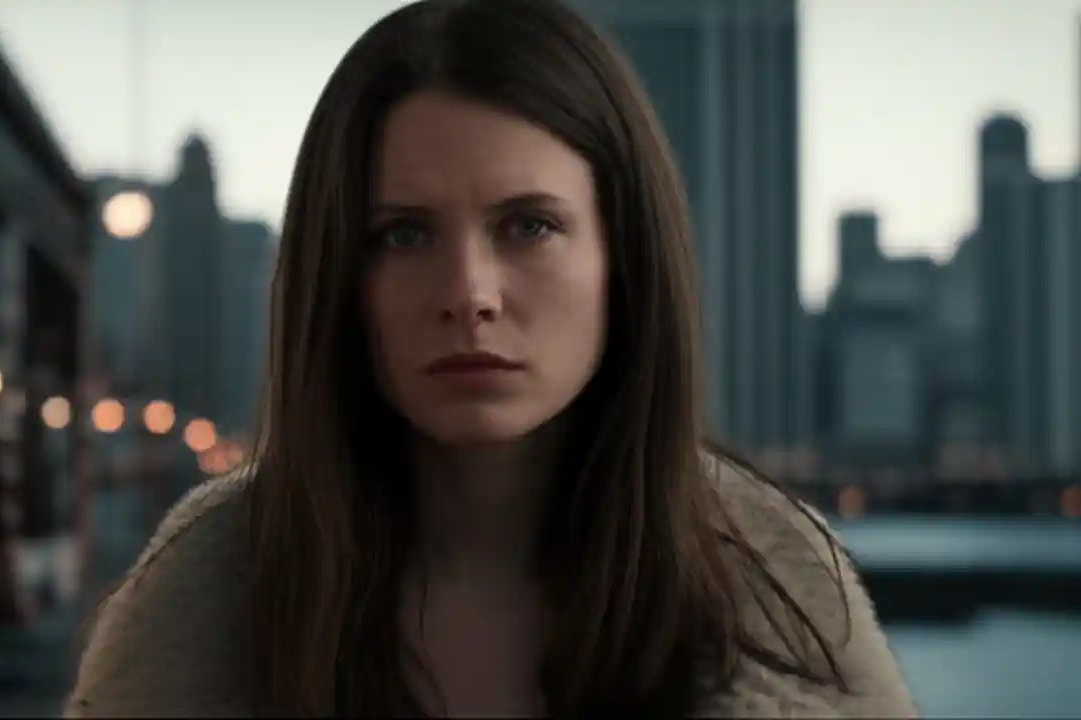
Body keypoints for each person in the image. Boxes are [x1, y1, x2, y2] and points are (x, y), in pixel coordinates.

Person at [66, 0, 915, 716]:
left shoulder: (783, 593)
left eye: (528, 226)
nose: (469, 292)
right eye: (405, 234)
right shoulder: (204, 596)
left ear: (622, 255)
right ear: (338, 278)